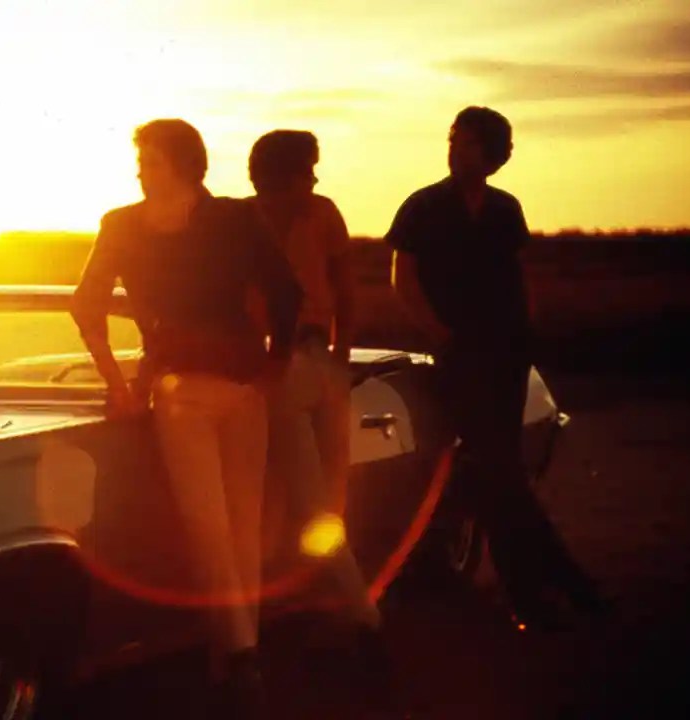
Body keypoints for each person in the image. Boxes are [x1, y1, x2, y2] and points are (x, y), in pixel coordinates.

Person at [70, 118, 302, 717]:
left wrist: (275, 370)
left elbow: (288, 292)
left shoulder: (232, 218)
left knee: (238, 525)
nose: (140, 170)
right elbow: (85, 304)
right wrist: (119, 388)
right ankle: (244, 661)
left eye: (148, 159)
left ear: (178, 162)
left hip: (244, 387)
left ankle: (235, 660)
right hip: (177, 390)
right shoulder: (121, 224)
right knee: (212, 524)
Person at [384, 106, 606, 630]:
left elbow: (515, 273)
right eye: (453, 139)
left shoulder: (505, 208)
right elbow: (403, 279)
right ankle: (562, 591)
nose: (456, 149)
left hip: (508, 351)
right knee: (502, 476)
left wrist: (525, 329)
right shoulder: (424, 205)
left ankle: (539, 598)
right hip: (461, 355)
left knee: (497, 478)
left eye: (468, 143)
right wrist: (440, 336)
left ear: (493, 154)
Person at [247, 129, 404, 715]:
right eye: (307, 169)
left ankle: (332, 619)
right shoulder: (245, 220)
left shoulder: (319, 213)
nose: (315, 178)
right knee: (308, 502)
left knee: (321, 498)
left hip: (312, 365)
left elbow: (345, 287)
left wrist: (341, 354)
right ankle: (362, 623)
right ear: (281, 173)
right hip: (282, 365)